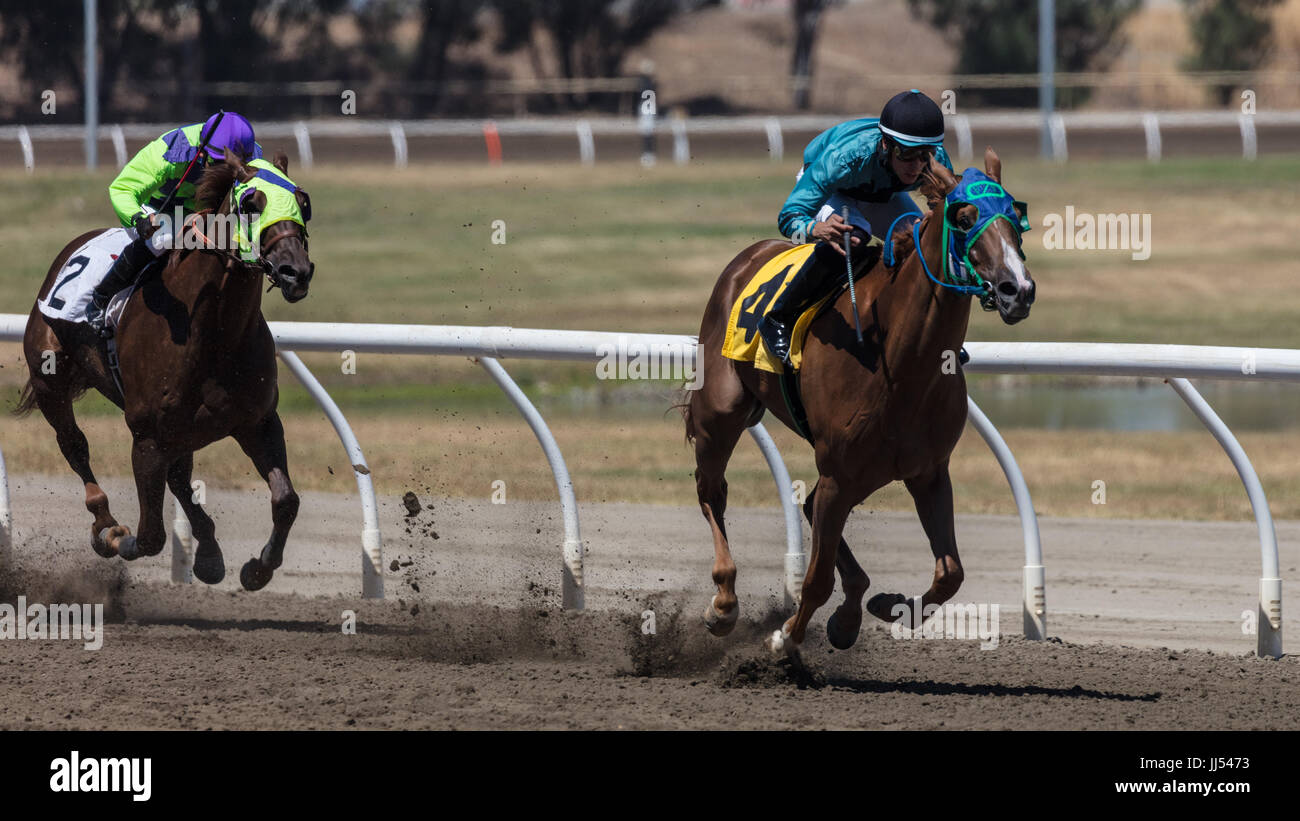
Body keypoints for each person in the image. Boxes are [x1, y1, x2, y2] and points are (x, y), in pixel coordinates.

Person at [759, 89, 955, 365]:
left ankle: (931, 329)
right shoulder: (844, 158)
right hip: (833, 187)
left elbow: (945, 221)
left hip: (881, 193)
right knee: (853, 236)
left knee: (925, 242)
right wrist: (816, 229)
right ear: (886, 145)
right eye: (907, 154)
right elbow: (788, 218)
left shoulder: (936, 162)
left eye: (925, 155)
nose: (917, 166)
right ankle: (779, 316)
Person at [84, 112, 262, 335]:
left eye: (233, 166)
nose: (225, 172)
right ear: (202, 150)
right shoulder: (173, 150)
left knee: (248, 244)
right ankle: (101, 299)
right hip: (160, 208)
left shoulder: (255, 158)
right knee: (164, 236)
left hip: (207, 212)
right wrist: (137, 219)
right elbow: (122, 188)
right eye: (217, 163)